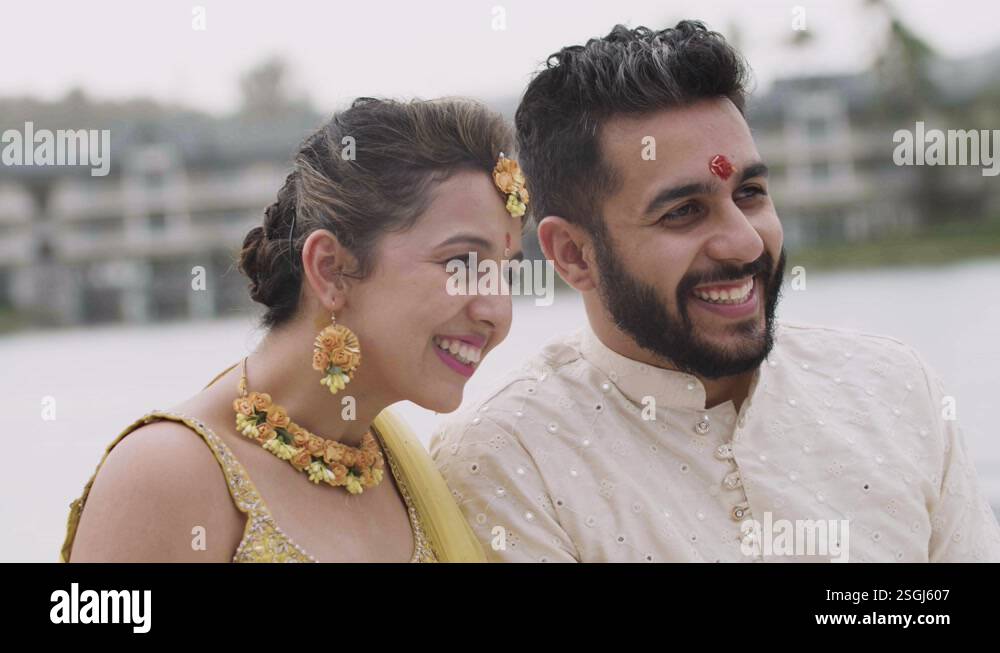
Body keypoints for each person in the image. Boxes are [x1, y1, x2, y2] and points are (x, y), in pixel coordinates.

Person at [430, 22, 1000, 562]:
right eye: (683, 212)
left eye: (749, 192)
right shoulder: (508, 460)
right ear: (574, 255)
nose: (744, 242)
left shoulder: (894, 389)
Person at [61, 97, 526, 562]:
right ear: (330, 270)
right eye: (462, 263)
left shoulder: (406, 473)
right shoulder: (165, 475)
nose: (497, 312)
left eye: (504, 272)